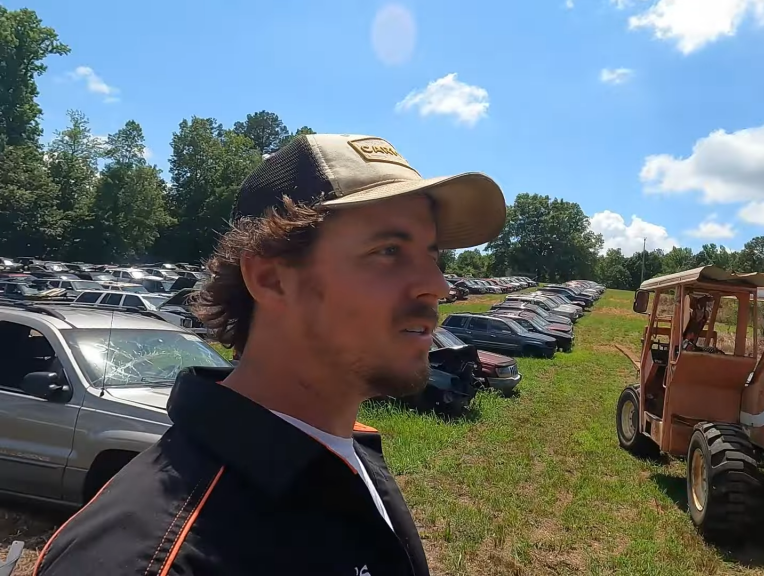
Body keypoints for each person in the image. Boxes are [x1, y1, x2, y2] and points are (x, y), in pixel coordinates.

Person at [32, 134, 507, 576]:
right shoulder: (154, 555)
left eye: (433, 255)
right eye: (388, 251)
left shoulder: (344, 451)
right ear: (270, 279)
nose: (438, 286)